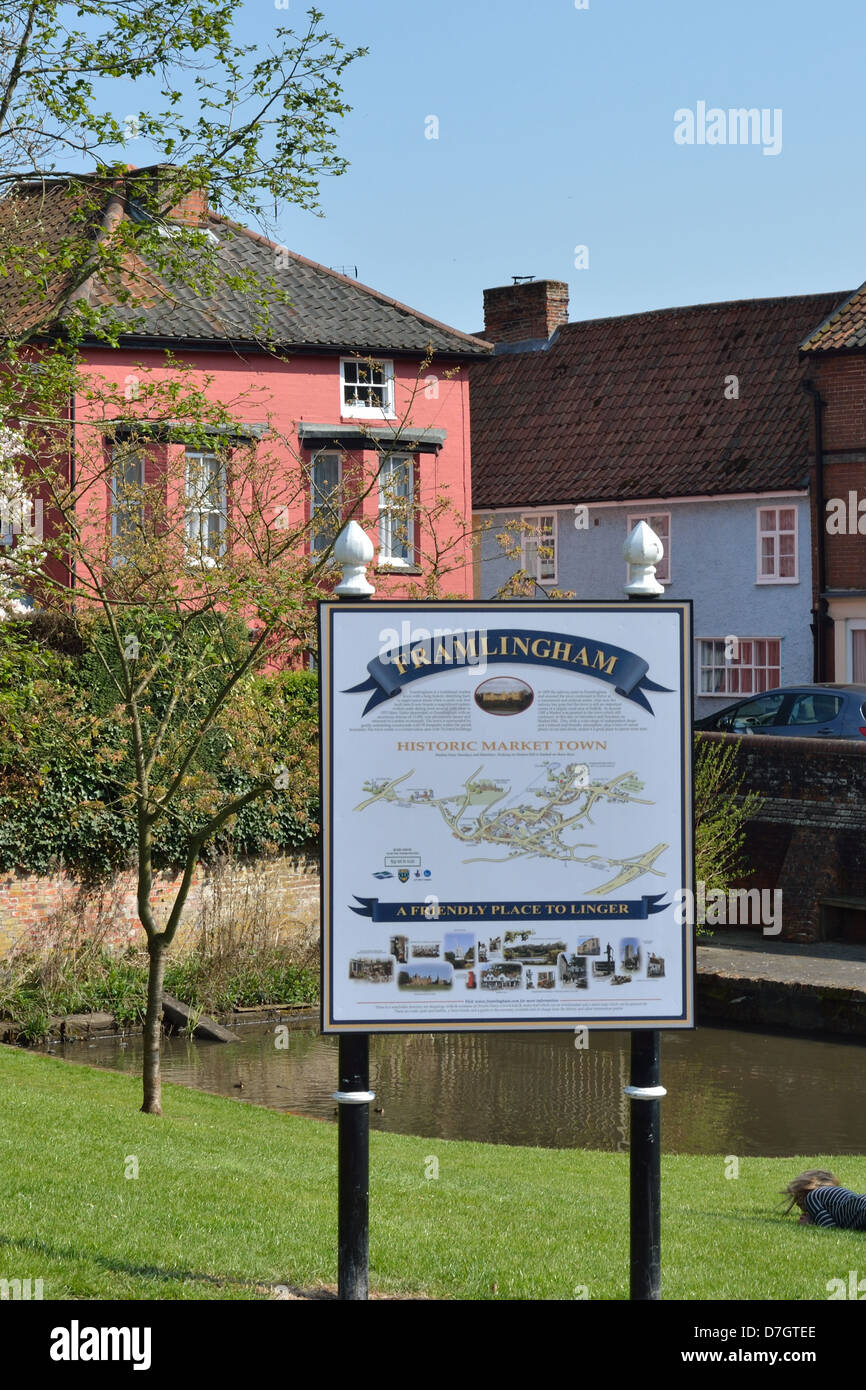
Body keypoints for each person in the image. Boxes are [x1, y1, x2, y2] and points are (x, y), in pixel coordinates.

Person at [783, 1170, 866, 1229]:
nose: (797, 1203)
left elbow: (830, 1227)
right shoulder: (834, 1195)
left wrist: (809, 1223)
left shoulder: (811, 1198)